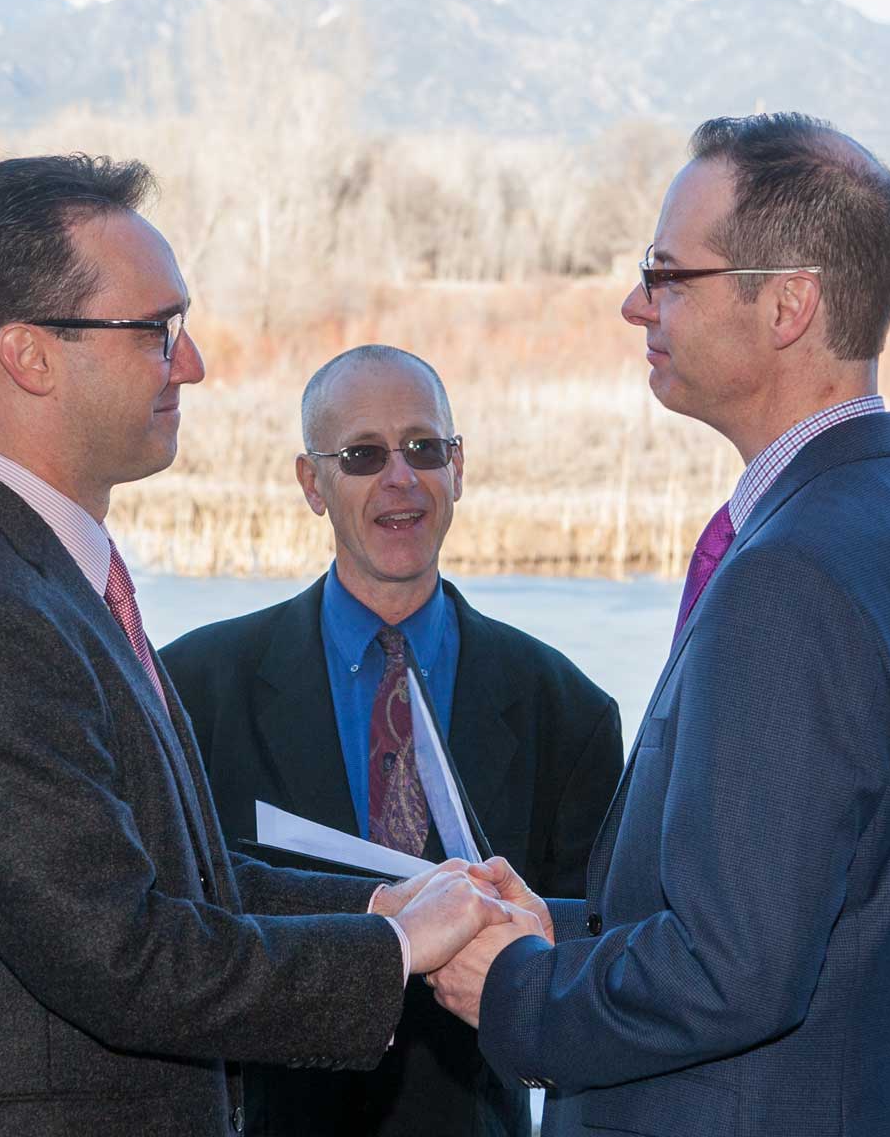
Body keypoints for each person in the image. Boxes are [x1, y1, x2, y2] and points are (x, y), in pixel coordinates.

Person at [0, 155, 522, 1137]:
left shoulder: (36, 572)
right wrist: (398, 948)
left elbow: (178, 883)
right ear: (28, 356)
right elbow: (127, 958)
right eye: (156, 331)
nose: (190, 363)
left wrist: (389, 901)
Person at [431, 113, 890, 1136]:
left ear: (788, 305)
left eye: (668, 275)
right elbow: (791, 913)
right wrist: (552, 932)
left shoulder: (796, 573)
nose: (634, 304)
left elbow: (732, 969)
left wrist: (518, 988)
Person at [161, 344, 623, 1137]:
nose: (400, 477)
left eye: (424, 447)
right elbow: (173, 939)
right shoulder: (194, 691)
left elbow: (591, 963)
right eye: (363, 456)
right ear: (312, 484)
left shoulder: (568, 710)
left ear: (458, 468)